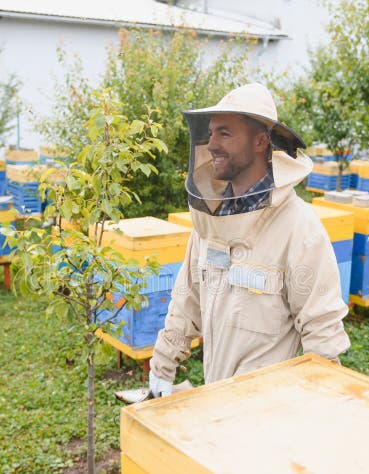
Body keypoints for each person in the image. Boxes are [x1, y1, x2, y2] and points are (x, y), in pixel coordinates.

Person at [148, 83, 351, 397]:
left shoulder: (299, 227)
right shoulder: (210, 222)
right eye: (212, 133)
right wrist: (161, 370)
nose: (212, 144)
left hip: (265, 412)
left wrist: (323, 402)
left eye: (225, 134)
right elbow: (186, 301)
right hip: (214, 401)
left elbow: (322, 333)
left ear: (260, 142)